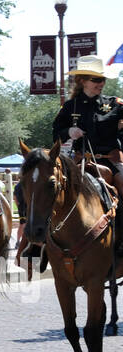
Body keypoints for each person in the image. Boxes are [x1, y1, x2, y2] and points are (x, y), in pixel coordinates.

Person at [52, 55, 123, 245]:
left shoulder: (115, 104)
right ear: (82, 80)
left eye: (102, 79)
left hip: (111, 161)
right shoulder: (69, 106)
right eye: (96, 80)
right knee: (51, 191)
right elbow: (56, 134)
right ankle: (41, 243)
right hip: (80, 161)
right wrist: (69, 131)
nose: (101, 83)